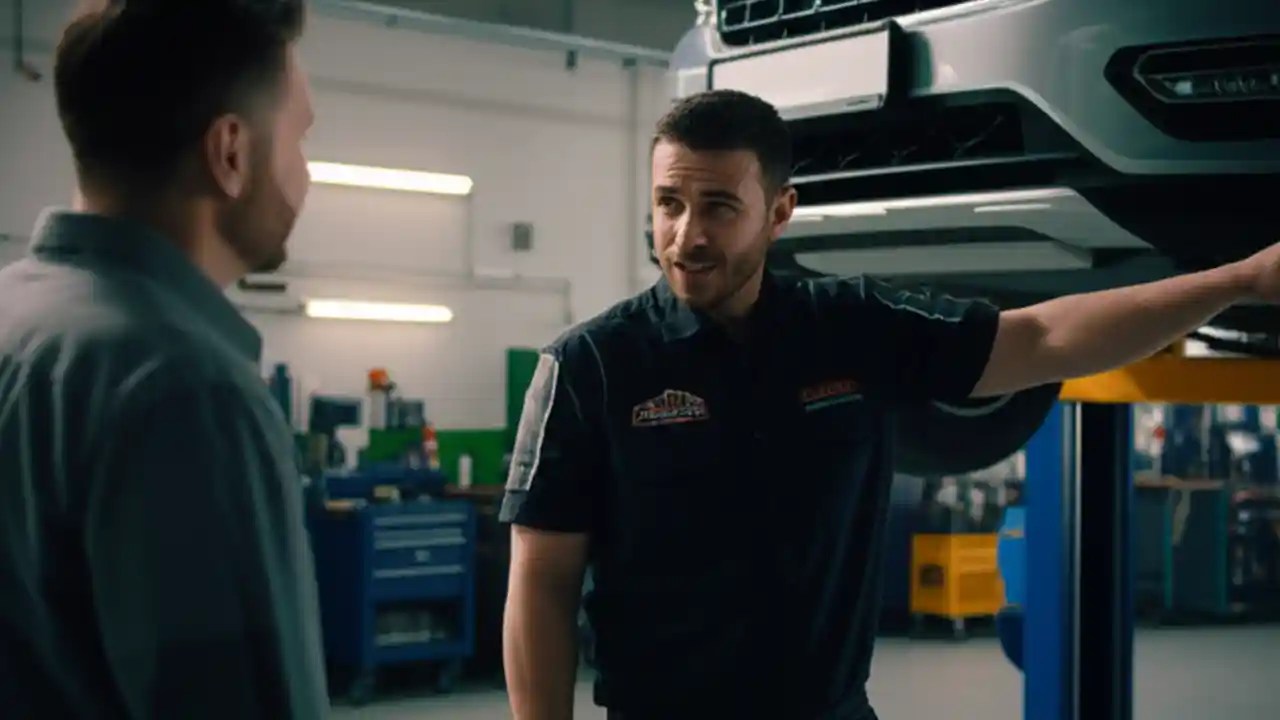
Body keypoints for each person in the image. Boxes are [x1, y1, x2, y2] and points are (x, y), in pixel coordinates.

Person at [500, 88, 1280, 720]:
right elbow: (541, 579)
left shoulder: (849, 329)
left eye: (718, 208)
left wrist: (1239, 280)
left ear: (780, 212)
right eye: (668, 204)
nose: (686, 235)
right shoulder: (589, 367)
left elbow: (1043, 339)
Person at [0, 1, 326, 717]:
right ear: (231, 153)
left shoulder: (16, 316)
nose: (305, 174)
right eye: (299, 139)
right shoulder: (185, 388)